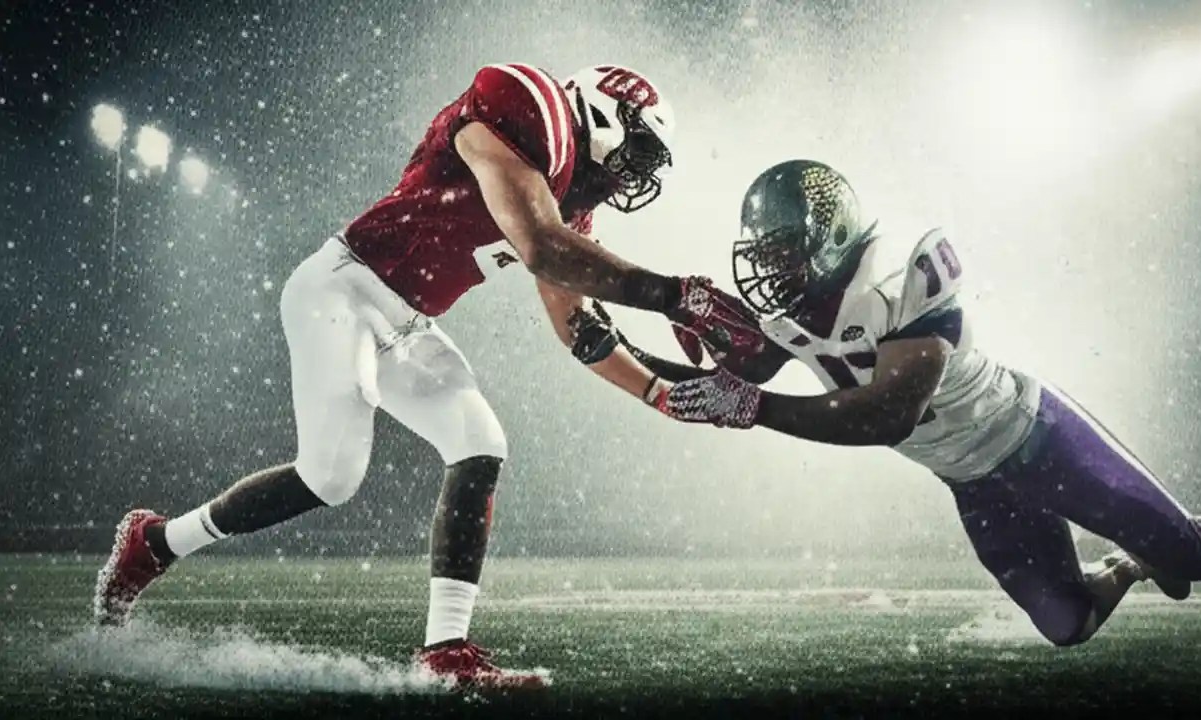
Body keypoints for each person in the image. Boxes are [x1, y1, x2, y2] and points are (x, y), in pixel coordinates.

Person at [93, 63, 759, 689]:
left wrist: (661, 395)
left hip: (405, 319)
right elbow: (539, 246)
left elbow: (579, 330)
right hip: (343, 288)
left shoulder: (571, 205)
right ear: (603, 113)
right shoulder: (524, 104)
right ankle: (155, 542)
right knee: (333, 476)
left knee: (480, 441)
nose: (631, 175)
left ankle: (446, 651)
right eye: (635, 152)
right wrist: (680, 298)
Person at [630, 159, 1201, 646]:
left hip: (1036, 437)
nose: (772, 274)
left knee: (1190, 554)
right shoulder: (790, 311)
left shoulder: (896, 274)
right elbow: (740, 373)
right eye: (764, 256)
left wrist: (755, 407)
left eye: (783, 254)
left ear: (829, 238)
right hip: (974, 482)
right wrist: (618, 345)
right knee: (1067, 625)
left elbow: (889, 415)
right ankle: (1128, 563)